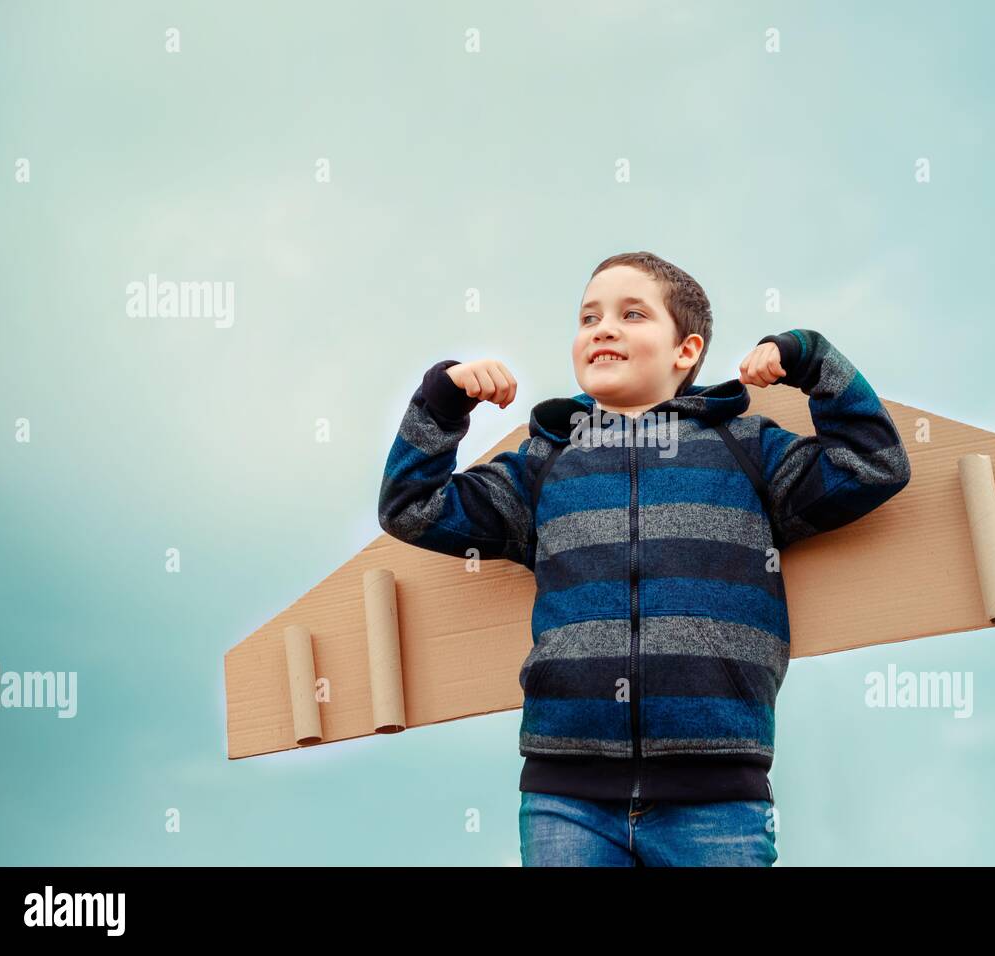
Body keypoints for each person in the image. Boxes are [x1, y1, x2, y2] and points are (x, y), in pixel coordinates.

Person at [378, 250, 911, 866]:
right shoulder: (541, 465)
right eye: (589, 318)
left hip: (719, 796)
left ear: (685, 351)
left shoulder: (746, 451)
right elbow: (411, 508)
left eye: (632, 314)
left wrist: (813, 360)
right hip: (564, 797)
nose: (603, 328)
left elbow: (872, 465)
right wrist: (443, 403)